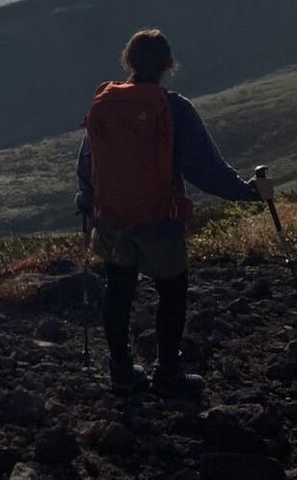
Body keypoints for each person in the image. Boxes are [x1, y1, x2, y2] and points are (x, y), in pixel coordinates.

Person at [75, 28, 274, 395]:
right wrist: (250, 193)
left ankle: (120, 370)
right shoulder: (173, 109)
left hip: (113, 219)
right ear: (168, 65)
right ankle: (168, 373)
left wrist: (87, 201)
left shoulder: (105, 103)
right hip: (158, 220)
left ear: (128, 62)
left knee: (119, 290)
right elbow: (206, 169)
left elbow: (88, 162)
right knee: (172, 292)